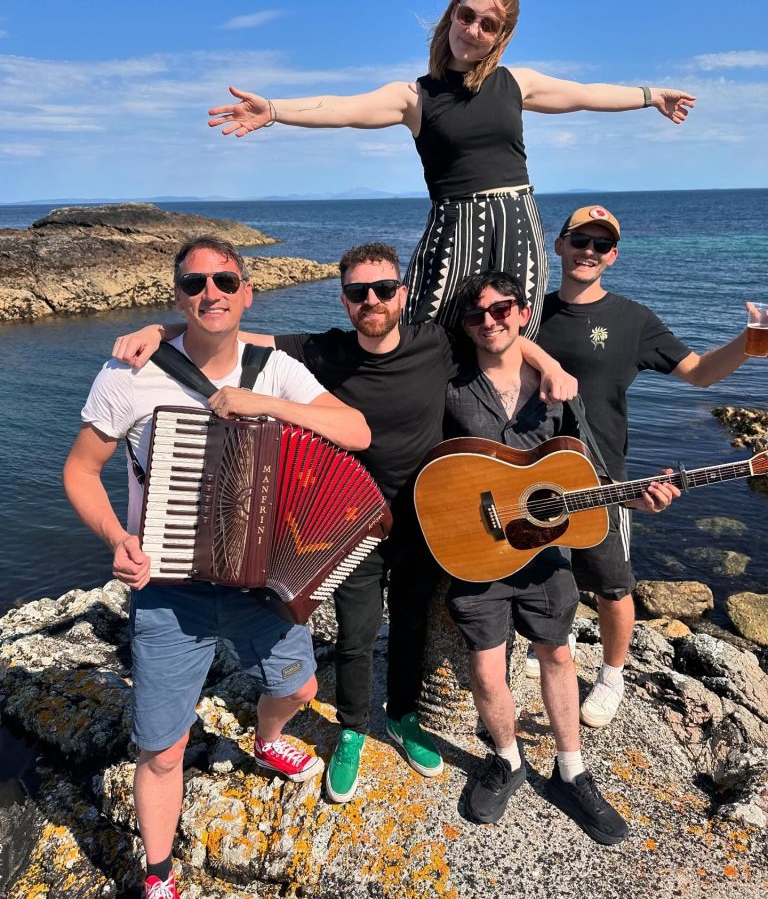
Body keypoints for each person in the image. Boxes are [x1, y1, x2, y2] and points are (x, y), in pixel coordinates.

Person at [113, 242, 577, 807]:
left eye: (383, 290)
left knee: (409, 625)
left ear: (402, 295)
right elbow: (227, 332)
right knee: (356, 633)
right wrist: (160, 331)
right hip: (349, 522)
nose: (372, 301)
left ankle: (402, 718)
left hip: (429, 519)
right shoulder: (321, 350)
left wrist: (550, 363)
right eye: (359, 293)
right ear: (344, 300)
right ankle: (354, 728)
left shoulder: (435, 341)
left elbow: (501, 335)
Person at [63, 235, 370, 899]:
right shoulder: (128, 375)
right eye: (195, 283)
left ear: (245, 292)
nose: (212, 293)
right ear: (177, 295)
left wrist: (266, 406)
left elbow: (356, 432)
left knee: (299, 690)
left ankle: (266, 737)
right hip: (171, 590)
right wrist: (117, 536)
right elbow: (81, 471)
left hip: (265, 582)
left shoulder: (273, 368)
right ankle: (158, 872)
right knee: (163, 748)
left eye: (225, 281)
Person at [206, 0, 694, 337]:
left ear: (501, 36)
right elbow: (342, 107)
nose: (473, 30)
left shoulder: (516, 85)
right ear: (451, 14)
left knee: (513, 335)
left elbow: (589, 94)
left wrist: (651, 96)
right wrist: (273, 109)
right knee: (429, 334)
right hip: (453, 230)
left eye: (489, 25)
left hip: (518, 227)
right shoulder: (415, 97)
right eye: (467, 15)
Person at [442, 270, 679, 841]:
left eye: (503, 310)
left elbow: (586, 474)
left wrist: (634, 499)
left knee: (557, 657)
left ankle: (571, 771)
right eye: (478, 315)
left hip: (545, 556)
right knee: (485, 665)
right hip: (476, 550)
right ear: (466, 326)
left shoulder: (558, 391)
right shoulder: (447, 383)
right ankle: (507, 759)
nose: (491, 321)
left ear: (523, 313)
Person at [534, 205, 752, 728]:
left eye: (600, 245)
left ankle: (612, 675)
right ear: (558, 246)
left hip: (605, 481)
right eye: (579, 239)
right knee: (538, 572)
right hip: (530, 476)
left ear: (613, 257)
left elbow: (699, 374)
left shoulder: (633, 320)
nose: (588, 250)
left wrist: (750, 342)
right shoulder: (528, 315)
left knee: (613, 585)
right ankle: (544, 650)